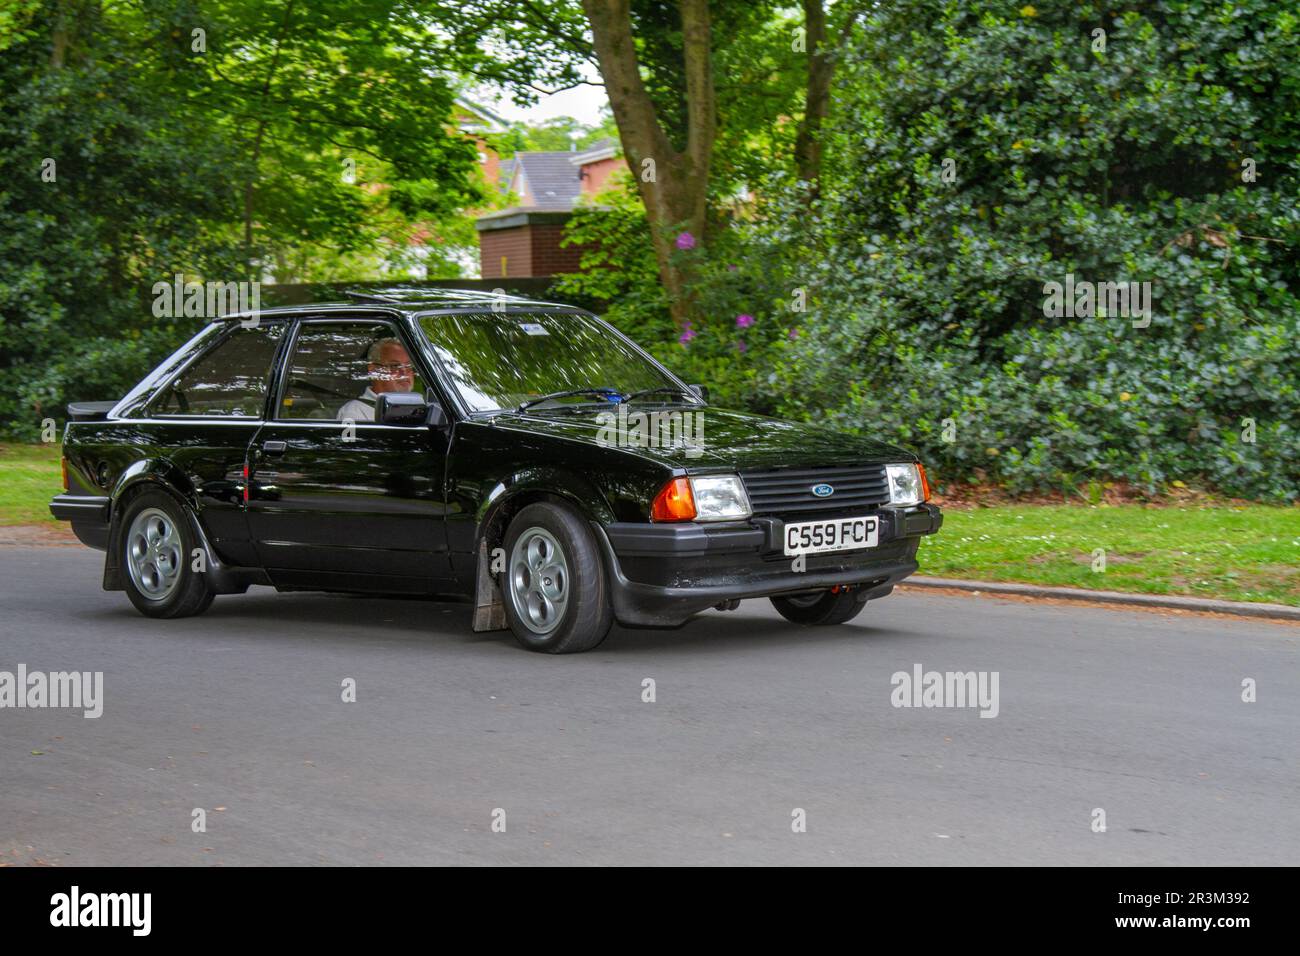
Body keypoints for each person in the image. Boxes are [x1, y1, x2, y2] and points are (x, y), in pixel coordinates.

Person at [337, 337, 415, 422]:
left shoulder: (419, 410)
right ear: (373, 369)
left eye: (408, 366)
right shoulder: (354, 412)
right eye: (394, 366)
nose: (404, 373)